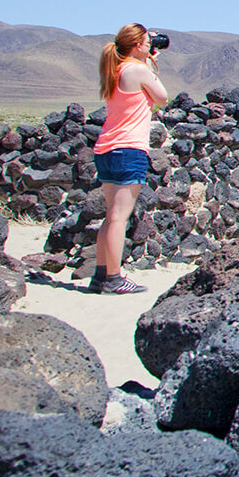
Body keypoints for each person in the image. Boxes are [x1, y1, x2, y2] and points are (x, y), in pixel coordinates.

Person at [91, 23, 169, 293]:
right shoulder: (137, 69)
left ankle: (100, 276)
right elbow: (162, 97)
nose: (151, 45)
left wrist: (146, 61)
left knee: (111, 216)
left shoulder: (116, 69)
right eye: (148, 42)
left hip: (107, 148)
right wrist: (149, 65)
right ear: (138, 45)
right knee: (119, 218)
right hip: (128, 149)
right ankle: (113, 279)